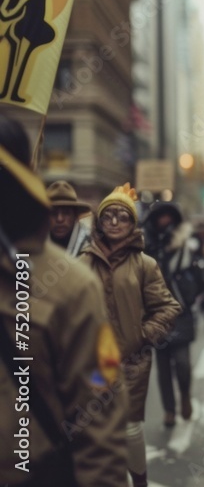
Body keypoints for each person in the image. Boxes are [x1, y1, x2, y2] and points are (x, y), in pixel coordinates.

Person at [0, 118, 128, 486]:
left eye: (66, 213)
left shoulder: (74, 283)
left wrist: (144, 336)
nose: (60, 218)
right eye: (55, 211)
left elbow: (99, 413)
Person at [81, 183, 181, 487]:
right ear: (99, 222)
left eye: (122, 217)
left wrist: (143, 335)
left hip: (133, 361)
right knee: (96, 428)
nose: (114, 222)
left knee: (130, 428)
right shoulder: (81, 264)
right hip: (94, 363)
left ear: (132, 223)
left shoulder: (145, 265)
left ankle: (139, 482)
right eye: (108, 216)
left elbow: (168, 307)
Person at [142, 202, 204, 427]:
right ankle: (169, 410)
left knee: (182, 363)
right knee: (163, 366)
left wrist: (191, 295)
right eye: (160, 217)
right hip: (156, 312)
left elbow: (199, 276)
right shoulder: (146, 247)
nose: (165, 221)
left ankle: (185, 396)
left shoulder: (186, 245)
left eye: (168, 217)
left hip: (181, 310)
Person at [46, 180, 93, 256]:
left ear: (75, 216)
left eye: (66, 213)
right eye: (53, 213)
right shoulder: (32, 243)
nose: (60, 219)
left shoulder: (91, 245)